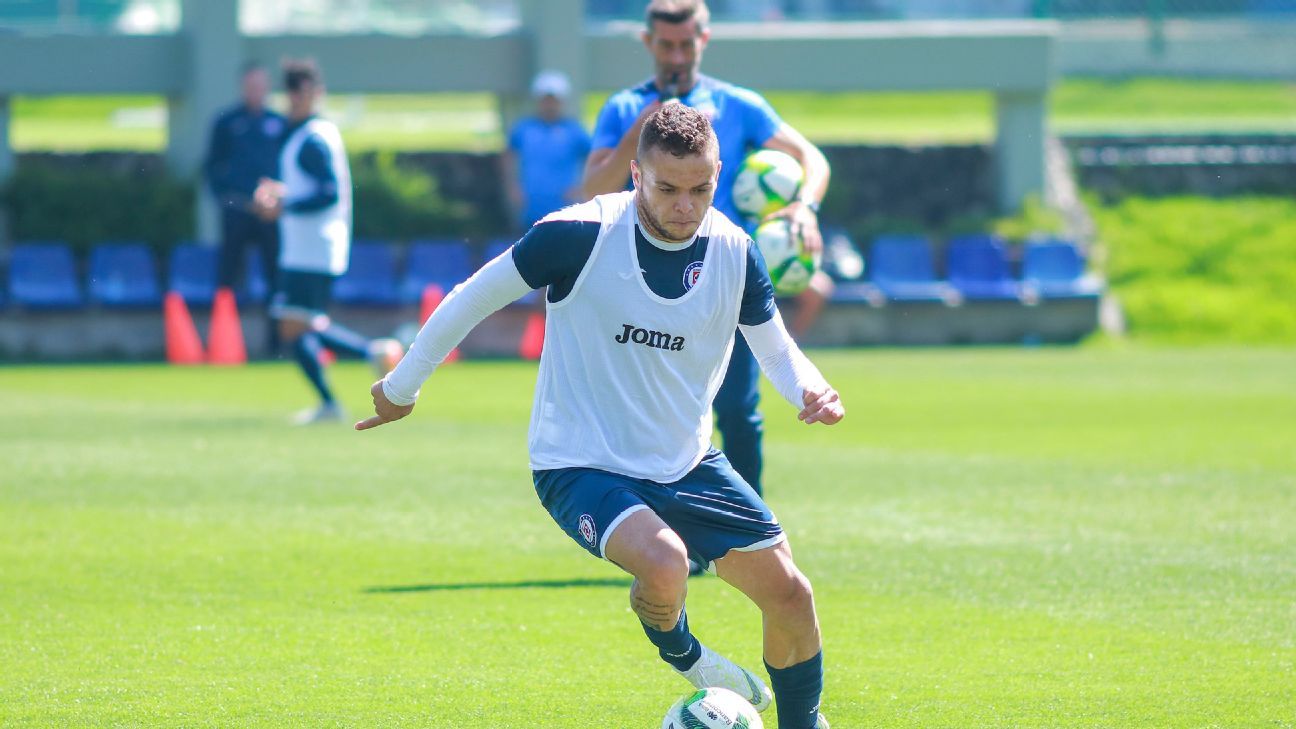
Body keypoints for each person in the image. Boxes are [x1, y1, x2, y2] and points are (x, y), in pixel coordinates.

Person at [358, 105, 841, 729]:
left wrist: (812, 389)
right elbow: (471, 297)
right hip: (579, 461)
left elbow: (774, 347)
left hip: (686, 461)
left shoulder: (735, 251)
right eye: (667, 188)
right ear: (635, 173)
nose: (684, 206)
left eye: (701, 189)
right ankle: (686, 654)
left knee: (791, 596)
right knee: (666, 565)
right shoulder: (577, 235)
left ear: (719, 174)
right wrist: (403, 386)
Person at [581, 0, 831, 498]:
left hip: (722, 276)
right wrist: (641, 131)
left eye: (686, 43)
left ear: (704, 40)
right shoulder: (625, 108)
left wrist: (803, 206)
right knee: (656, 416)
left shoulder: (738, 104)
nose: (676, 55)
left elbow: (811, 158)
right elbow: (590, 189)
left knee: (739, 409)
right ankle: (664, 535)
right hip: (644, 278)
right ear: (649, 43)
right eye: (666, 44)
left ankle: (747, 531)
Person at [250, 59, 402, 425]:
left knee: (291, 326)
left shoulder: (313, 137)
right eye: (293, 92)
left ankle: (335, 396)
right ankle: (369, 353)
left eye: (305, 91)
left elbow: (328, 193)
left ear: (317, 93)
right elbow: (314, 189)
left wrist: (282, 203)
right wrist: (282, 195)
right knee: (300, 324)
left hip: (311, 247)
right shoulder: (311, 134)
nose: (298, 99)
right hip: (307, 246)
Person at [203, 62, 285, 309]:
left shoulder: (279, 123)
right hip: (238, 209)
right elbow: (212, 166)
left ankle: (276, 341)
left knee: (275, 274)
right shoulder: (227, 122)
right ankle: (224, 336)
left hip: (270, 213)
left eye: (260, 86)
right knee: (228, 272)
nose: (255, 91)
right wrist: (225, 199)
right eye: (251, 86)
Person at [501, 70, 592, 231]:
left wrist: (582, 187)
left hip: (565, 206)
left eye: (554, 100)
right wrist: (512, 186)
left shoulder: (574, 130)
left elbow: (593, 157)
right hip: (531, 205)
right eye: (545, 100)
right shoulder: (524, 128)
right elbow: (509, 156)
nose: (550, 105)